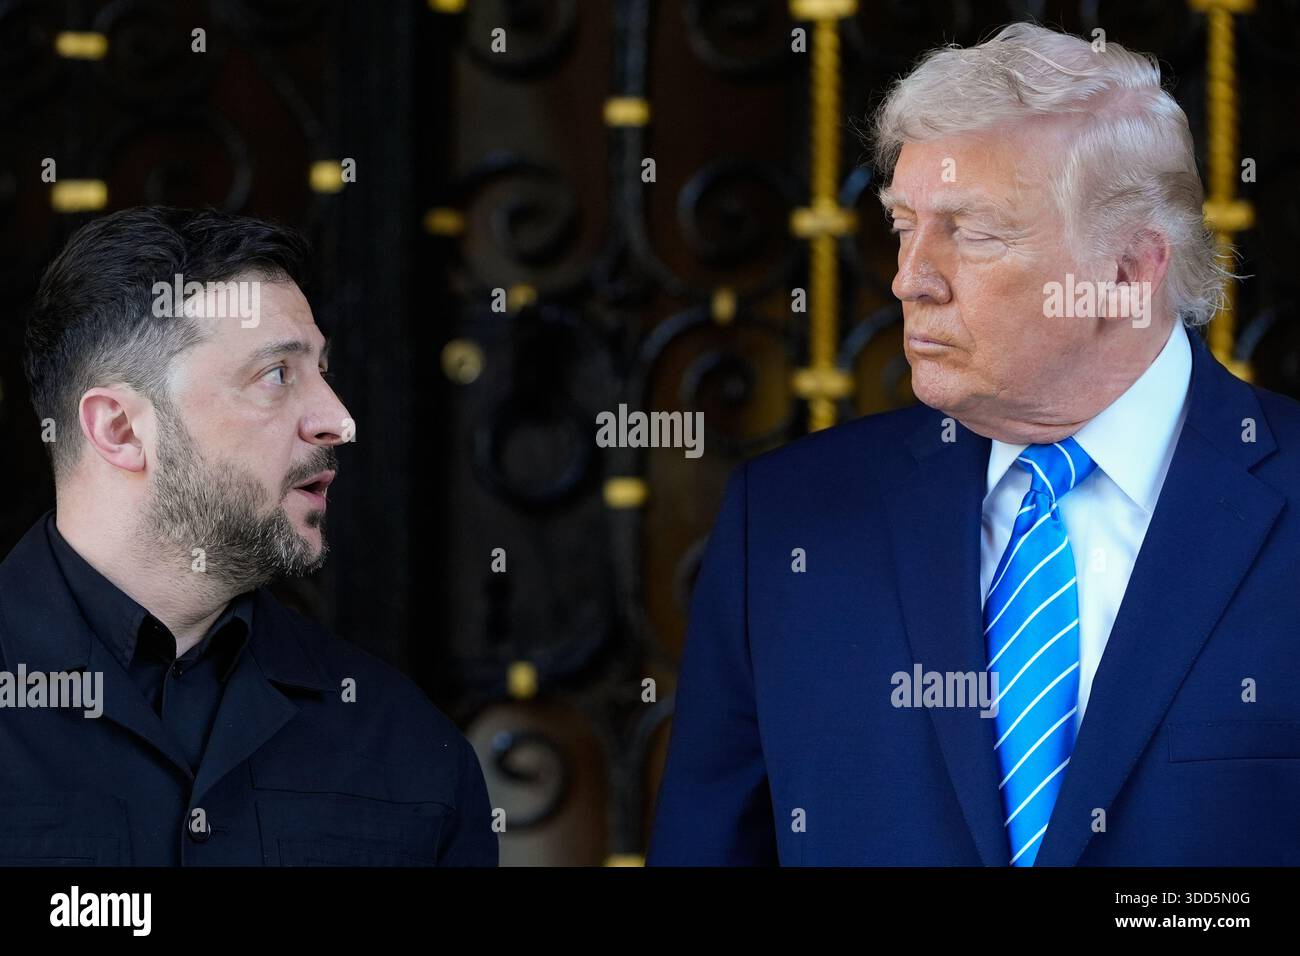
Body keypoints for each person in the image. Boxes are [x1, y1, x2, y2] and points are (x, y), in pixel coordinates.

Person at [649, 22, 1300, 866]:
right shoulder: (788, 522)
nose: (910, 277)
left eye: (973, 232)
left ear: (1130, 270)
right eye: (904, 224)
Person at [0, 206, 497, 866]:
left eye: (321, 370)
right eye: (276, 376)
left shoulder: (400, 740)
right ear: (119, 429)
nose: (338, 419)